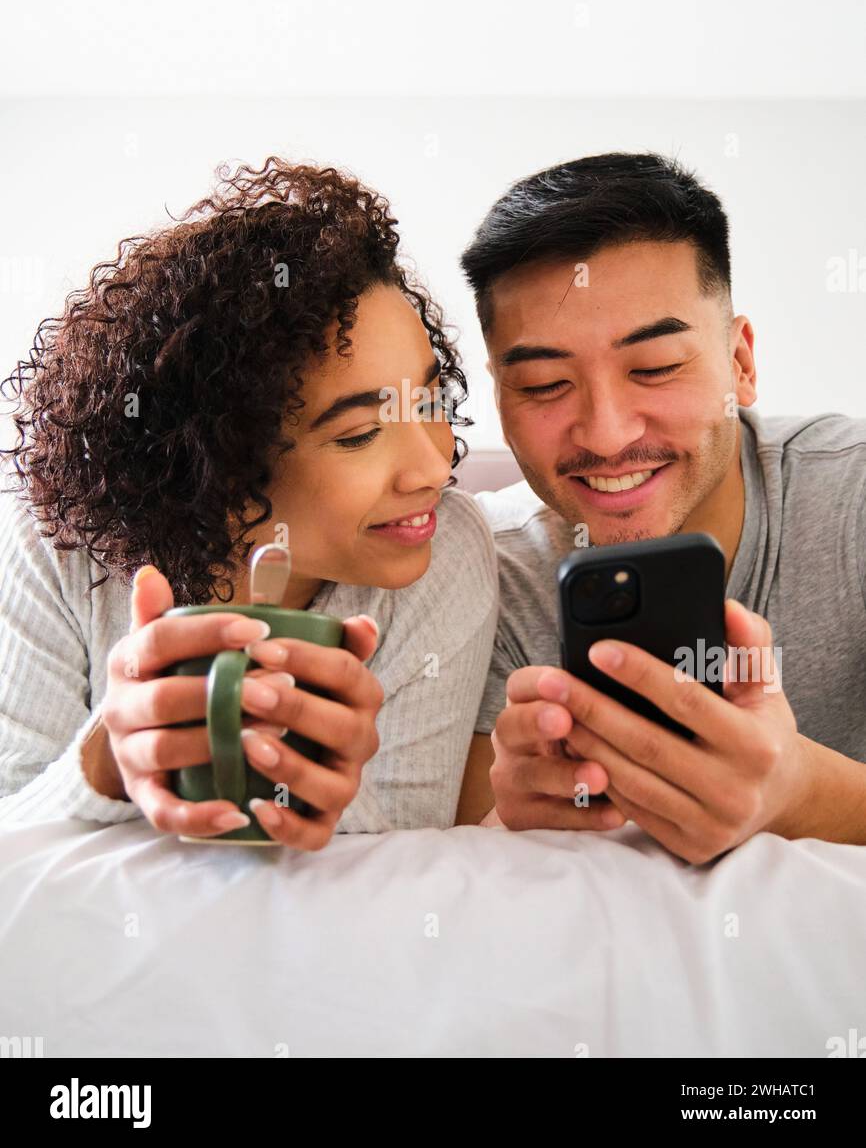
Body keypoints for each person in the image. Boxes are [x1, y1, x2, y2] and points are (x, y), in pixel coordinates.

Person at [0, 158, 498, 848]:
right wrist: (109, 763)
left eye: (430, 401)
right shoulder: (51, 545)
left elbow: (395, 875)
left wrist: (324, 795)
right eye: (357, 436)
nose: (435, 467)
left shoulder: (442, 555)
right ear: (220, 468)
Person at [462, 152, 866, 862]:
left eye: (655, 369)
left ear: (740, 363)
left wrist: (801, 791)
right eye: (543, 384)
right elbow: (453, 879)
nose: (607, 434)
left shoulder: (853, 498)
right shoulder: (477, 574)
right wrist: (506, 826)